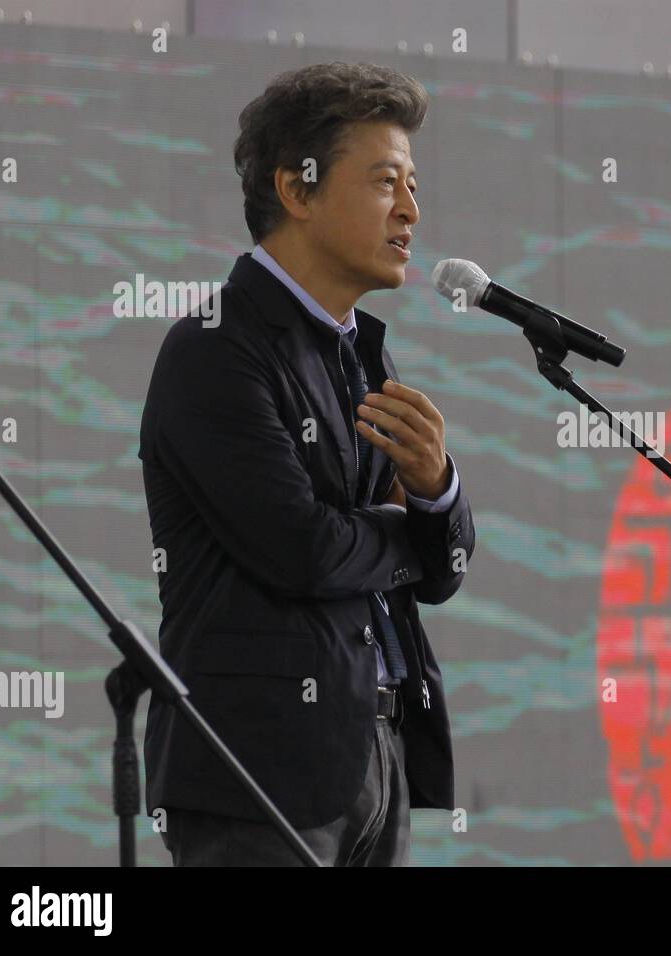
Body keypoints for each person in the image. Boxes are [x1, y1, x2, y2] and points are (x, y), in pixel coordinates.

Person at [138, 62, 474, 866]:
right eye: (386, 181)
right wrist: (405, 525)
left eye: (413, 185)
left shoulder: (364, 355)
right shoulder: (217, 347)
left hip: (376, 752)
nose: (411, 210)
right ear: (297, 188)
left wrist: (437, 490)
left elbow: (442, 573)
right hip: (258, 769)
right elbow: (302, 550)